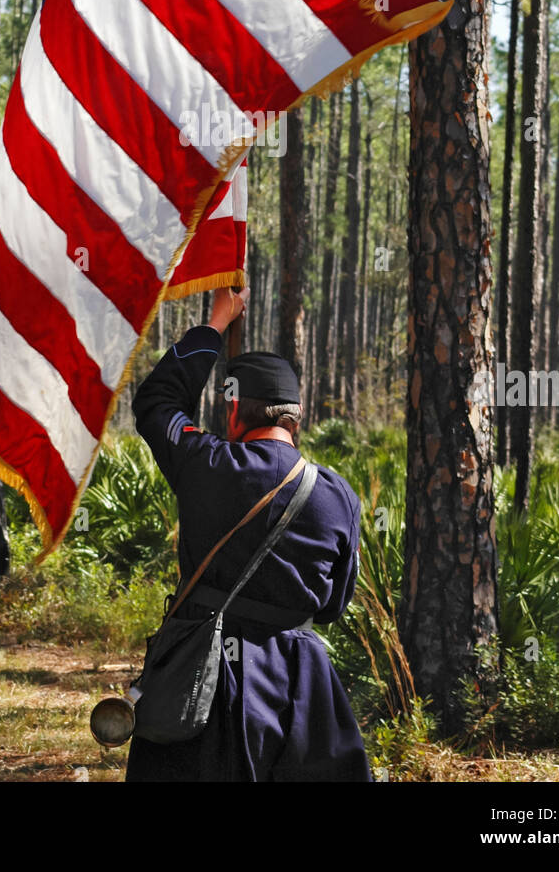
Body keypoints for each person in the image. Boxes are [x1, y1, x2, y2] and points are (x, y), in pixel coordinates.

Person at [125, 285, 372, 783]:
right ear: (295, 418)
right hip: (302, 685)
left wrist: (214, 324)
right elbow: (332, 606)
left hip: (204, 678)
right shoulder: (337, 494)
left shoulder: (207, 463)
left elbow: (157, 402)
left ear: (235, 412)